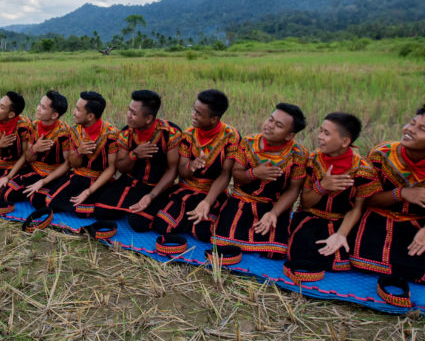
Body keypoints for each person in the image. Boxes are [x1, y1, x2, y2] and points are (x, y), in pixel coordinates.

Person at [350, 100, 425, 286]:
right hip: (378, 216)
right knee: (359, 259)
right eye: (412, 123)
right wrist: (402, 194)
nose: (410, 129)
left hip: (419, 223)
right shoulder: (381, 154)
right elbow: (365, 199)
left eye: (422, 129)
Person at [284, 112, 380, 282]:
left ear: (345, 142)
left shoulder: (363, 169)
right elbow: (305, 203)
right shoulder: (312, 160)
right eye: (321, 131)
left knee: (341, 257)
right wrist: (322, 187)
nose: (320, 137)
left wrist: (341, 234)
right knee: (301, 251)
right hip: (311, 217)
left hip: (342, 221)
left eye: (326, 134)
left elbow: (358, 208)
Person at [141, 89, 239, 241]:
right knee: (162, 226)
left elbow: (225, 174)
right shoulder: (188, 135)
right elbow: (182, 171)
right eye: (194, 110)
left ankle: (194, 218)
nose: (193, 115)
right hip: (186, 189)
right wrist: (190, 167)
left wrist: (207, 202)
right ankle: (187, 219)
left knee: (203, 233)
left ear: (214, 119)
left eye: (199, 113)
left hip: (212, 192)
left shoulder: (231, 136)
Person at [213, 103, 308, 257]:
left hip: (273, 206)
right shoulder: (248, 142)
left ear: (289, 135)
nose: (269, 126)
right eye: (270, 119)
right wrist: (254, 173)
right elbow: (236, 174)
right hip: (241, 202)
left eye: (278, 125)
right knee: (224, 245)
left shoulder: (298, 154)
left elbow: (294, 189)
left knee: (274, 253)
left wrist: (274, 214)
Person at [91, 90, 181, 220]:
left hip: (158, 187)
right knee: (100, 212)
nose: (128, 115)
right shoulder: (126, 133)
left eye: (133, 113)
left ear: (149, 118)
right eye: (129, 110)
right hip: (130, 183)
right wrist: (134, 155)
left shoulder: (171, 133)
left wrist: (151, 196)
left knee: (139, 222)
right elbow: (121, 168)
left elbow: (173, 170)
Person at [25, 91, 119, 215]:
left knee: (95, 212)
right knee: (49, 201)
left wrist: (89, 191)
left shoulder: (111, 133)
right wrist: (79, 152)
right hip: (78, 176)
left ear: (90, 116)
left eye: (78, 110)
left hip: (101, 180)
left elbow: (112, 168)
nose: (74, 112)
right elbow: (72, 164)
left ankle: (95, 203)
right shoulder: (75, 130)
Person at [0, 90, 73, 206]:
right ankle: (33, 191)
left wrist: (43, 181)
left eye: (43, 107)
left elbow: (67, 164)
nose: (38, 108)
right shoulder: (34, 126)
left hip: (54, 175)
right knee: (1, 194)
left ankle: (45, 192)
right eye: (39, 104)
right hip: (34, 170)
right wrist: (34, 149)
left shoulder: (64, 132)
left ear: (54, 115)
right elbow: (27, 157)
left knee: (37, 201)